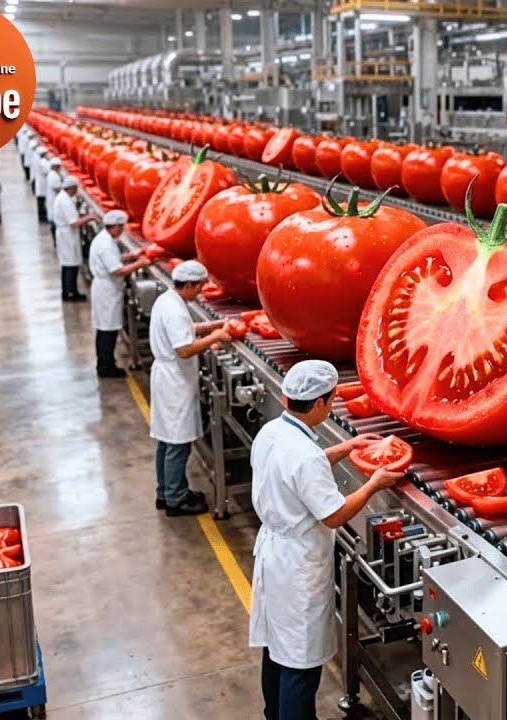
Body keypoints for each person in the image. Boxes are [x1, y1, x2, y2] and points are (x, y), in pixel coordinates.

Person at [248, 360, 402, 720]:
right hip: (299, 567)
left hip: (274, 556)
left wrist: (347, 447)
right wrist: (373, 483)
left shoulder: (272, 432)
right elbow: (333, 514)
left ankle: (275, 714)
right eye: (331, 399)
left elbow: (301, 468)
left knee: (275, 650)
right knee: (300, 666)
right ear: (318, 404)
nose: (332, 404)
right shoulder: (304, 456)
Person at [149, 260, 232, 516]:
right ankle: (175, 500)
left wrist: (211, 327)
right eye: (199, 287)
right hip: (175, 382)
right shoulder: (174, 309)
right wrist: (216, 338)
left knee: (166, 441)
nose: (201, 292)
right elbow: (184, 349)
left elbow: (185, 331)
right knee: (178, 444)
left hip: (167, 378)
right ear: (188, 285)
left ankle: (166, 492)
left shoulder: (168, 300)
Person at [88, 209, 150, 377]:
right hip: (106, 291)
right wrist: (141, 263)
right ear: (113, 227)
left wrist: (131, 256)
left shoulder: (104, 239)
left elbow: (115, 260)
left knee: (105, 329)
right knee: (107, 330)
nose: (122, 231)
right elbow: (118, 270)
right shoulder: (106, 244)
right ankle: (106, 367)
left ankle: (105, 363)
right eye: (121, 228)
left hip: (106, 289)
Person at [50, 176, 95, 302]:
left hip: (65, 234)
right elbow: (74, 223)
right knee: (71, 265)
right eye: (76, 188)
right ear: (72, 188)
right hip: (67, 235)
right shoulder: (65, 201)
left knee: (67, 264)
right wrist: (90, 217)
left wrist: (82, 216)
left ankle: (67, 291)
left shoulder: (63, 197)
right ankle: (71, 293)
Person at [32, 147, 50, 223]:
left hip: (41, 184)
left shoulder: (41, 160)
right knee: (41, 202)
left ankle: (42, 216)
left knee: (41, 202)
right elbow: (47, 171)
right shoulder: (43, 162)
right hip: (42, 185)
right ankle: (42, 218)